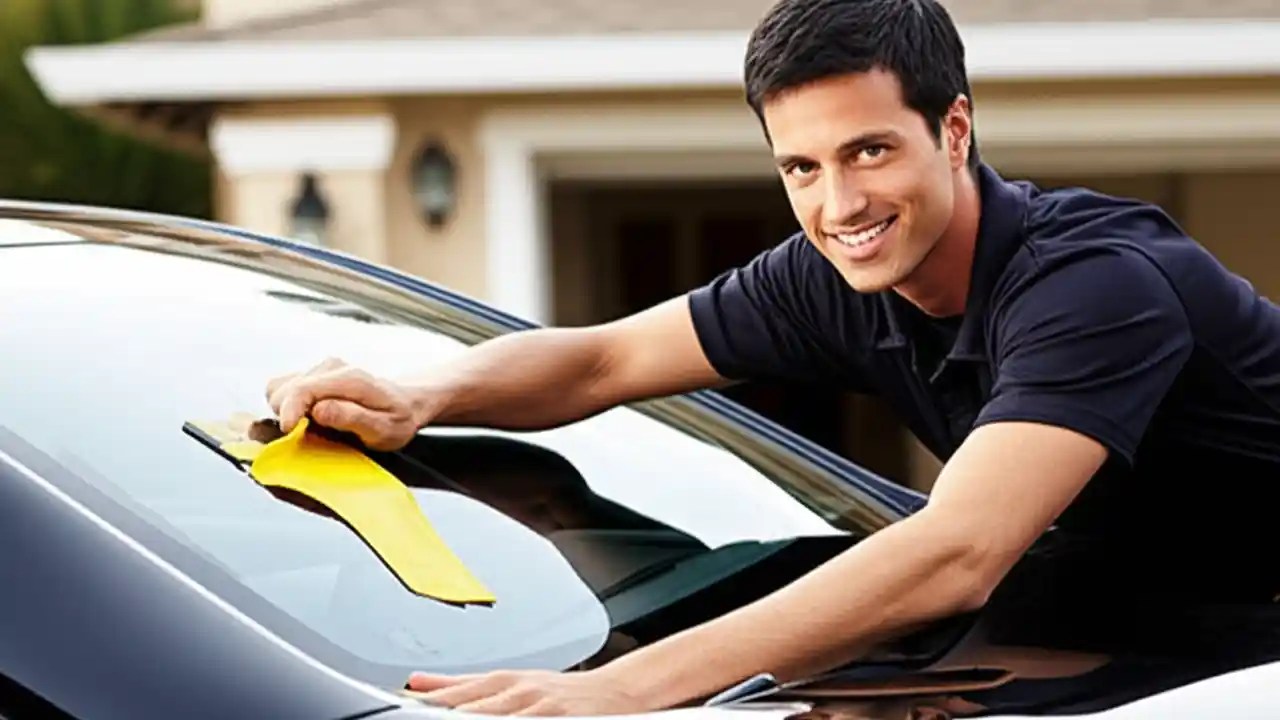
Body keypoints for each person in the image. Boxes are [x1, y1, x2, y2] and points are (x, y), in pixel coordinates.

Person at [265, 0, 1280, 715]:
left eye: (868, 151)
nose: (839, 206)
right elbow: (600, 364)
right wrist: (417, 394)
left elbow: (957, 553)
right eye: (801, 165)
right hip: (1140, 625)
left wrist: (625, 687)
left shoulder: (1094, 285)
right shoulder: (828, 275)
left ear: (953, 128)